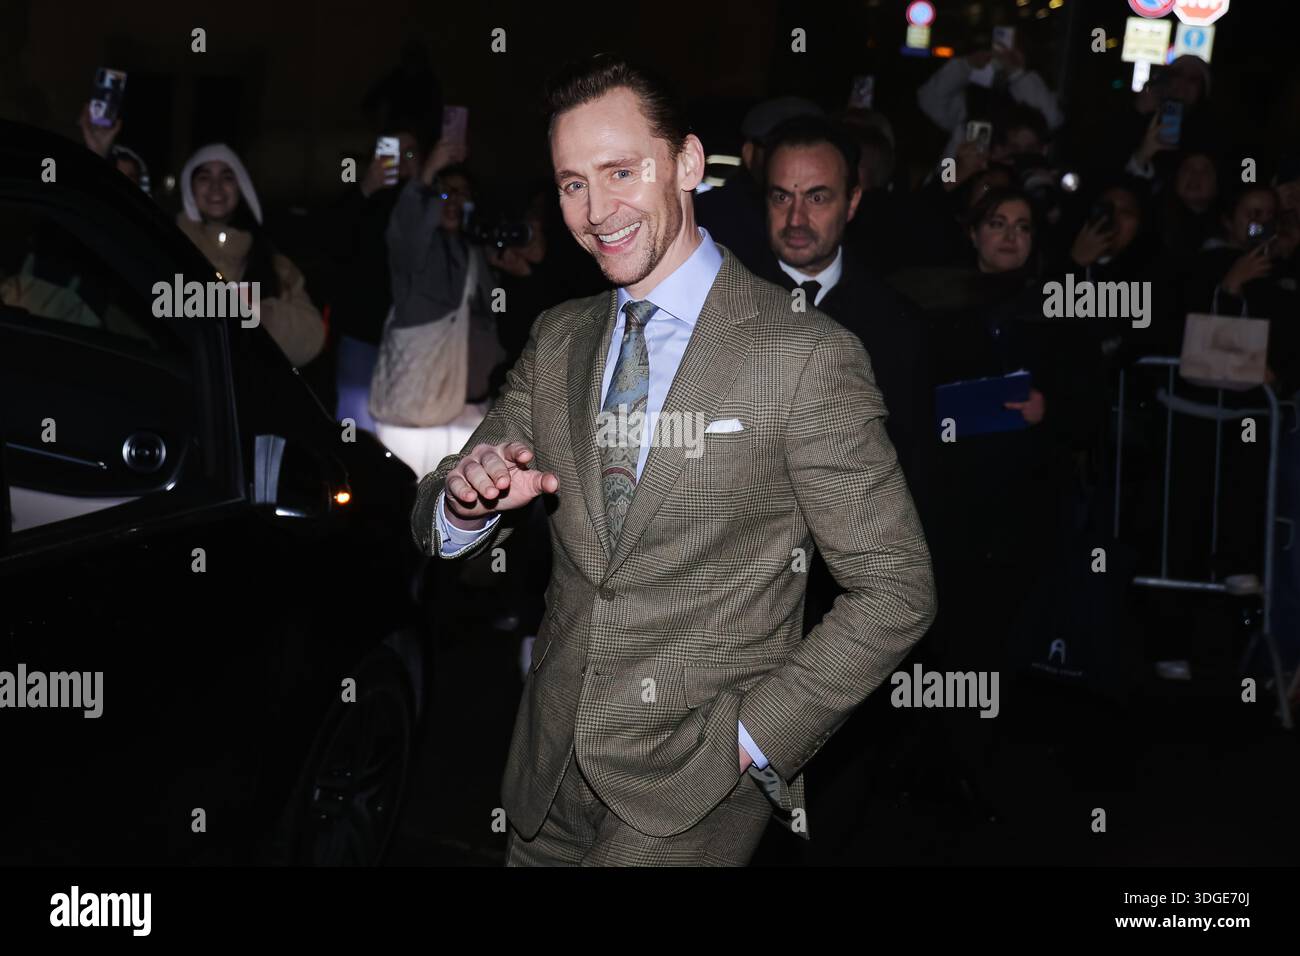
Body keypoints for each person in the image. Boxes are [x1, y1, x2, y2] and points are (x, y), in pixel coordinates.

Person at [409, 54, 936, 866]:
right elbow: (440, 503)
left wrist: (755, 739)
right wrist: (464, 501)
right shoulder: (560, 338)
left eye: (621, 171)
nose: (595, 211)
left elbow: (896, 588)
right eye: (572, 183)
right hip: (545, 767)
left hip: (691, 789)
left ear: (687, 164)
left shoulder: (802, 354)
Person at [371, 140, 506, 477]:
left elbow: (498, 315)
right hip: (416, 408)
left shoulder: (476, 252)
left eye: (462, 195)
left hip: (469, 407)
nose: (452, 201)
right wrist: (427, 172)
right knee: (407, 501)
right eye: (444, 193)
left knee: (458, 503)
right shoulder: (416, 251)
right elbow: (405, 230)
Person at [176, 144, 326, 367]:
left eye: (227, 177)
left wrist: (255, 312)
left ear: (241, 188)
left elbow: (312, 337)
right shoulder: (170, 243)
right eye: (204, 177)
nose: (216, 187)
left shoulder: (273, 262)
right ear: (190, 189)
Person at [325, 128, 424, 432]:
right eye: (393, 153)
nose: (403, 162)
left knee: (404, 429)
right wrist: (365, 187)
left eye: (410, 154)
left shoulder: (428, 202)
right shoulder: (361, 200)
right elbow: (330, 241)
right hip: (361, 332)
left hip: (413, 338)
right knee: (356, 424)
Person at [694, 96, 822, 276]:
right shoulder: (709, 217)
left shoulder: (836, 215)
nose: (794, 158)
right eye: (778, 147)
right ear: (750, 154)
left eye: (811, 147)